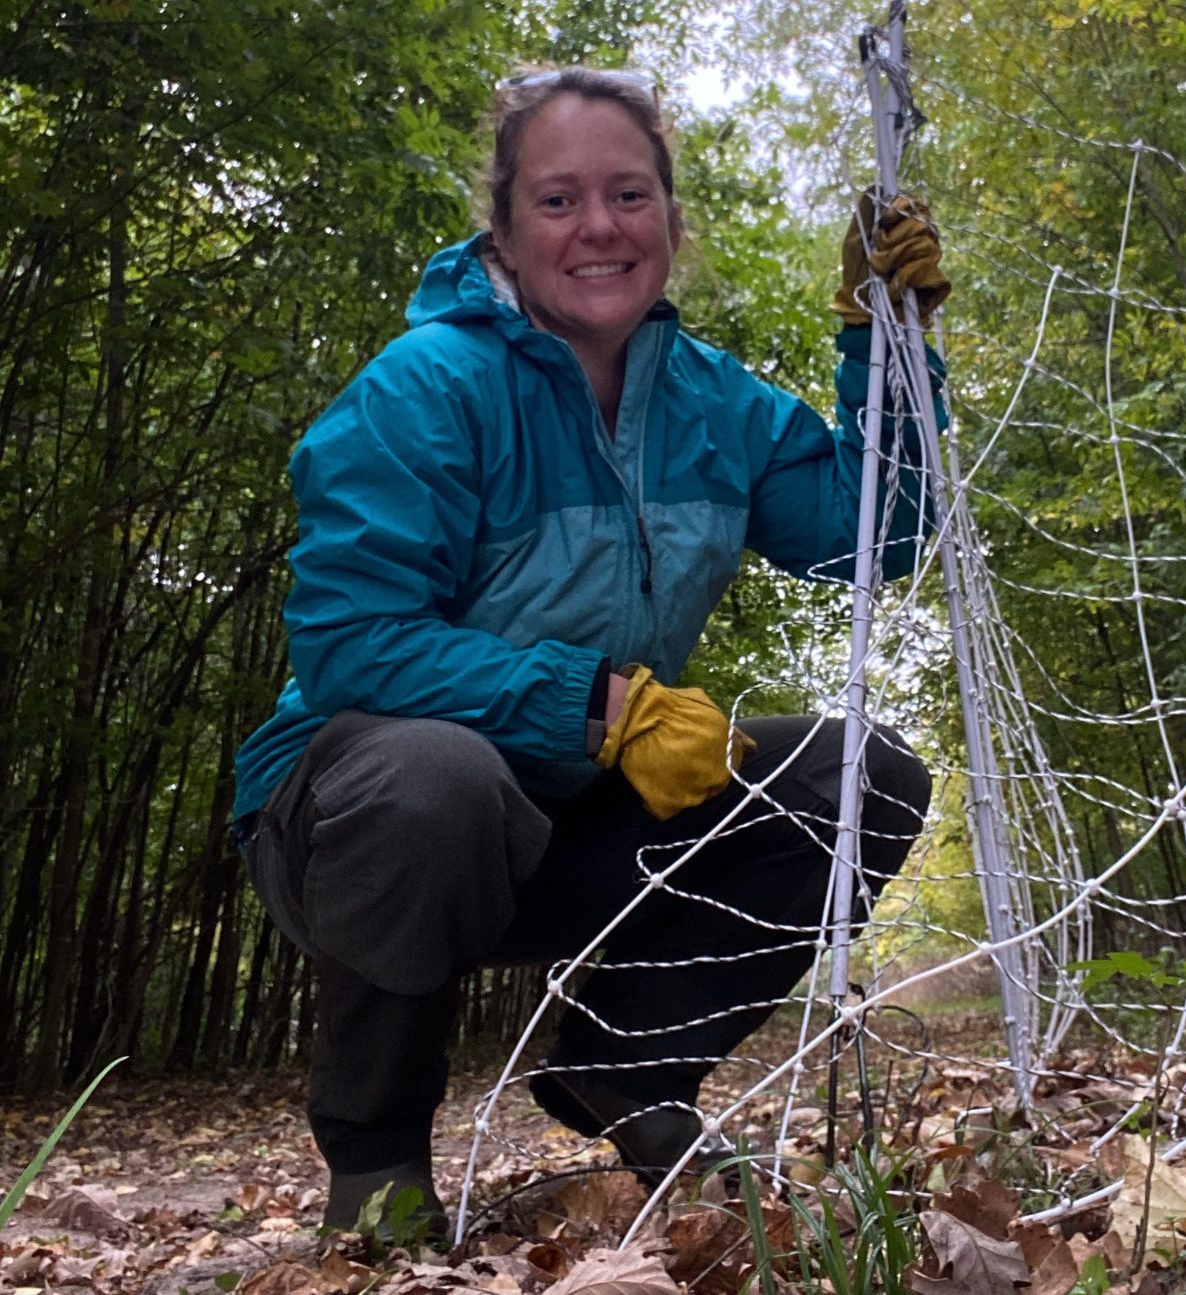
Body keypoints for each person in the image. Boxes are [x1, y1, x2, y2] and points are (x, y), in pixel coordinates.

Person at [230, 66, 950, 1235]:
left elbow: (881, 533)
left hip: (563, 816)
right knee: (435, 776)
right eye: (557, 200)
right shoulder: (421, 391)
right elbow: (354, 644)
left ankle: (628, 1067)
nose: (599, 226)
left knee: (854, 776)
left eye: (628, 194)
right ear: (504, 230)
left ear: (672, 216)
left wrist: (890, 349)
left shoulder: (719, 408)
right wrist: (599, 703)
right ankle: (376, 1167)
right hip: (347, 825)